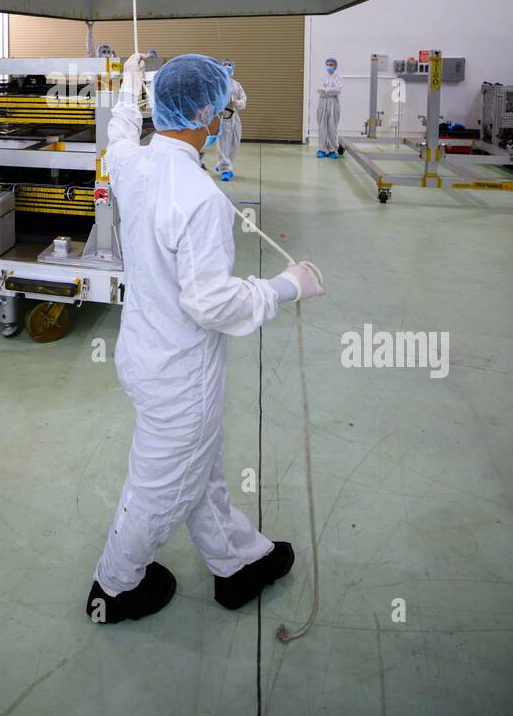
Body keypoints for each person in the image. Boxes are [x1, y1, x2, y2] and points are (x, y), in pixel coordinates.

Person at [86, 53, 323, 624]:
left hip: (145, 350)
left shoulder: (130, 162)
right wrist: (287, 287)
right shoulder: (200, 197)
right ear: (207, 114)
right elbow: (212, 302)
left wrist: (129, 83)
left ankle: (238, 563)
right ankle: (112, 589)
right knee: (159, 485)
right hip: (180, 371)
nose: (224, 112)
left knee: (200, 467)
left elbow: (119, 129)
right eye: (221, 104)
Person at [215, 58, 247, 181]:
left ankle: (224, 164)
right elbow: (213, 100)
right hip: (224, 117)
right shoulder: (218, 85)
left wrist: (236, 102)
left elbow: (244, 101)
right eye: (225, 65)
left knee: (235, 143)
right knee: (223, 144)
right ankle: (225, 169)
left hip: (235, 117)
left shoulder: (237, 85)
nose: (227, 67)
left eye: (229, 65)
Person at [316, 57, 342, 158]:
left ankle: (332, 150)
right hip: (322, 102)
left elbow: (338, 90)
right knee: (322, 125)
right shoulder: (322, 77)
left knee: (332, 126)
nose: (329, 67)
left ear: (335, 66)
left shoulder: (339, 78)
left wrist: (325, 89)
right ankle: (322, 149)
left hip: (334, 103)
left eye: (331, 65)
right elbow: (319, 89)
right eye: (328, 65)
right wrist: (330, 90)